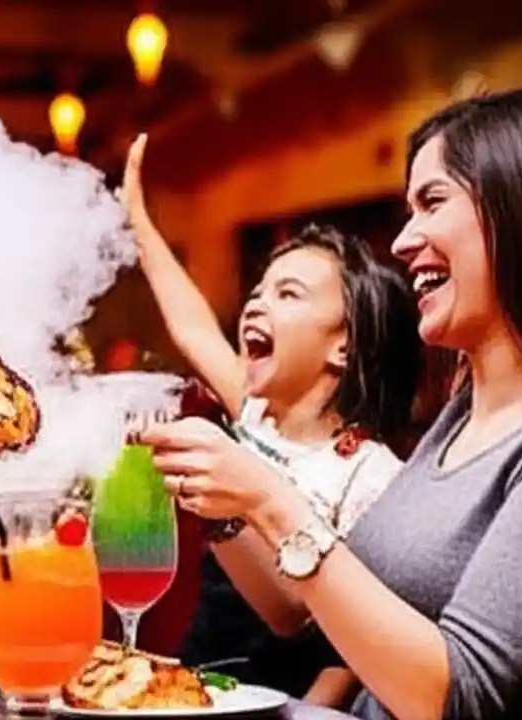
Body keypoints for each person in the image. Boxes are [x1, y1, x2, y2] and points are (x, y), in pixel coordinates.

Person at [143, 86, 522, 718]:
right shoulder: (463, 413)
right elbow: (315, 625)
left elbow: (460, 697)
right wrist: (232, 505)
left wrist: (271, 502)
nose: (406, 240)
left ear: (517, 209)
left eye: (433, 202)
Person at [118, 134, 423, 703]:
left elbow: (338, 651)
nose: (257, 303)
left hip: (282, 695)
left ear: (344, 348)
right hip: (203, 677)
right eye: (258, 291)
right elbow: (192, 326)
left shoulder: (369, 475)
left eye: (289, 294)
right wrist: (137, 218)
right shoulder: (256, 414)